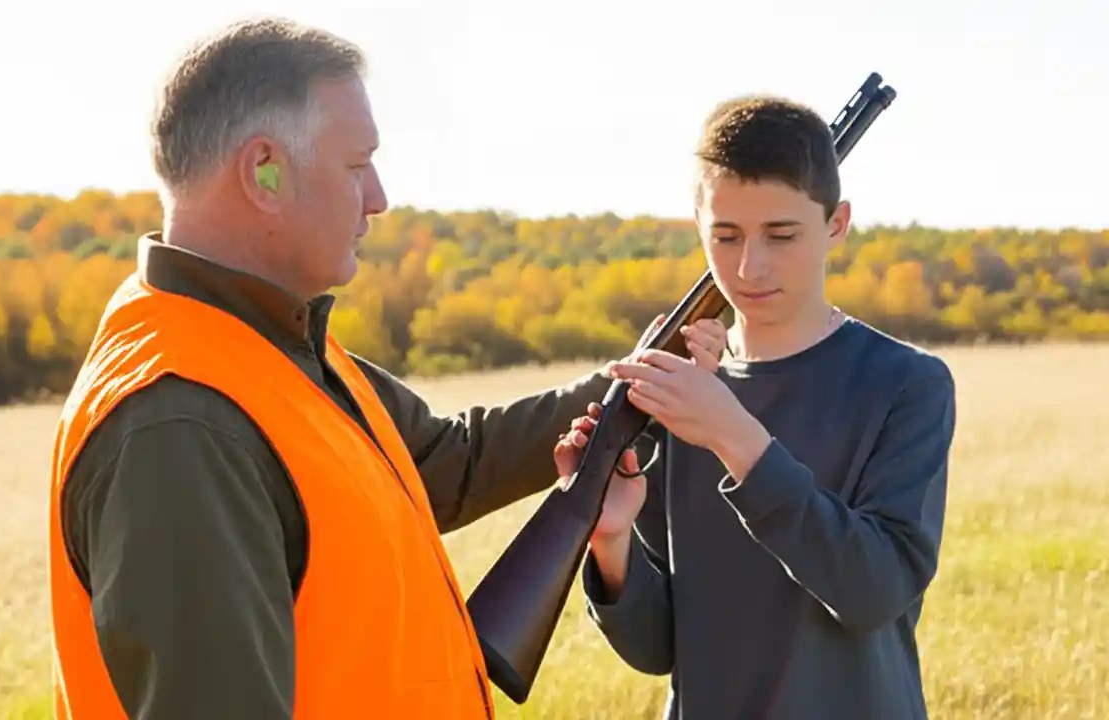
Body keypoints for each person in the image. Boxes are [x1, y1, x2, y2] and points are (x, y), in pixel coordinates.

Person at [45, 17, 726, 720]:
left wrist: (639, 381)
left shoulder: (275, 349)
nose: (378, 197)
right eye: (355, 165)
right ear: (263, 172)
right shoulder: (181, 424)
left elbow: (451, 459)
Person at [559, 95, 958, 719]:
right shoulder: (683, 391)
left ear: (837, 223)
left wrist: (734, 436)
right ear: (698, 226)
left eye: (781, 234)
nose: (750, 265)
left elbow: (873, 594)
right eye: (726, 235)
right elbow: (658, 645)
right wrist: (611, 541)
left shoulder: (907, 384)